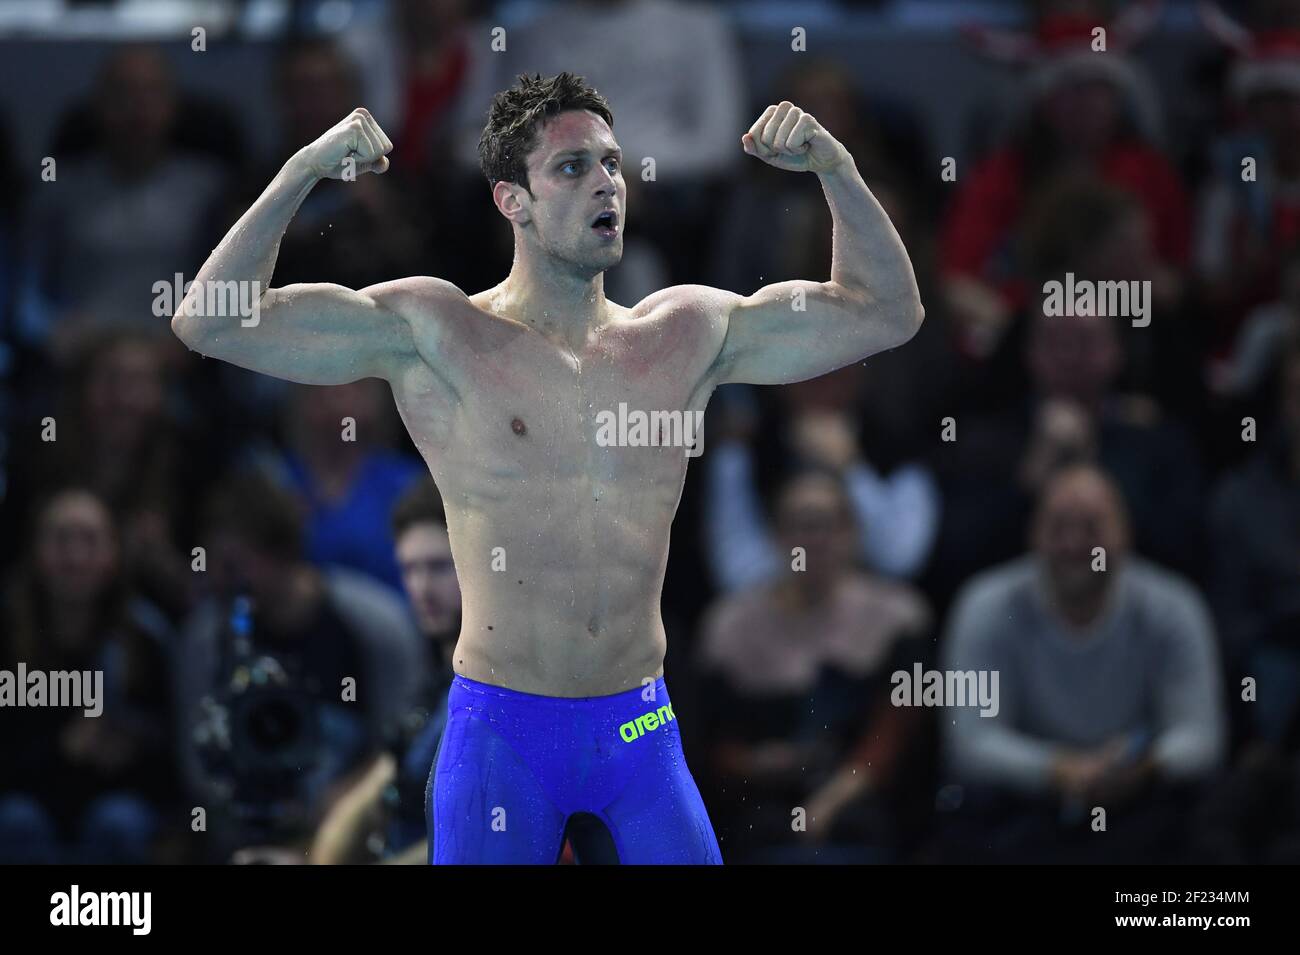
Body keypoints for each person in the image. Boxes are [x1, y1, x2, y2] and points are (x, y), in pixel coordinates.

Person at [170, 72, 924, 864]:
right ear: (512, 202)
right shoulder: (437, 331)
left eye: (611, 163)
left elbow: (887, 312)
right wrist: (302, 173)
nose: (605, 183)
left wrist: (837, 169)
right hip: (503, 732)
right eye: (572, 168)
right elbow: (209, 322)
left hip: (639, 727)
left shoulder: (687, 331)